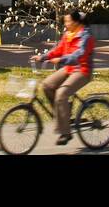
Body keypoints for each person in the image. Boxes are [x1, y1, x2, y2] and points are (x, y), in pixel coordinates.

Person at [36, 9, 94, 145]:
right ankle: (64, 113)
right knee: (47, 85)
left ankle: (65, 133)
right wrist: (43, 57)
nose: (65, 23)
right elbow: (58, 50)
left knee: (61, 94)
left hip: (82, 70)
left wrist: (61, 60)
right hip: (69, 68)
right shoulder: (68, 34)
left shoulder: (86, 36)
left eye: (68, 21)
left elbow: (79, 55)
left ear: (76, 22)